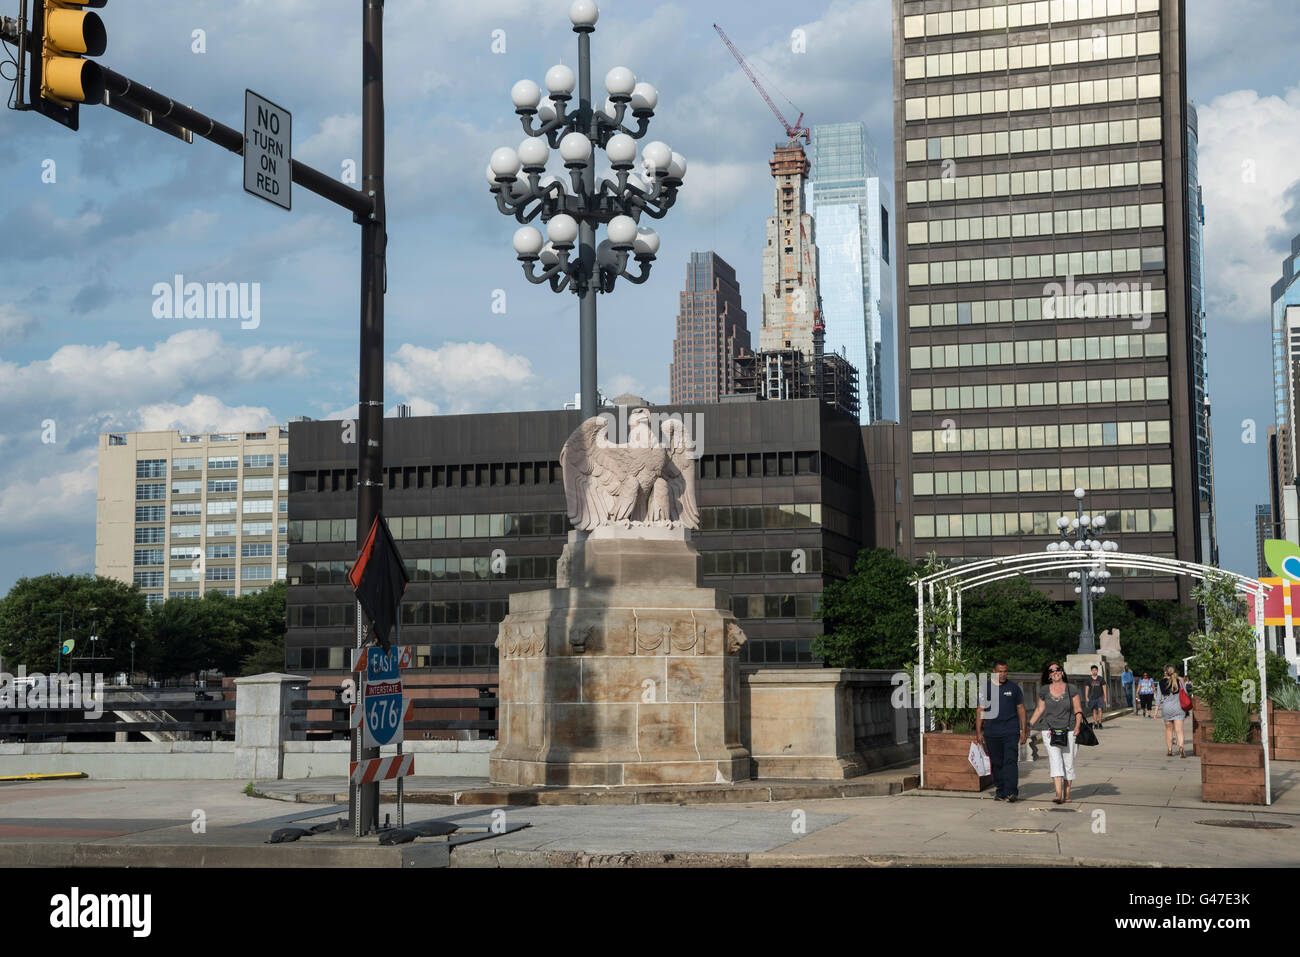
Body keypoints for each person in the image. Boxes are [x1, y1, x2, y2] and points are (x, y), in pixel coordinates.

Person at [1027, 661, 1082, 803]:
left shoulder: (1072, 689)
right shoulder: (1045, 690)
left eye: (1057, 669)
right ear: (1049, 675)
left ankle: (1067, 794)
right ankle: (1058, 794)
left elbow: (1078, 710)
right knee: (1055, 760)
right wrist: (1029, 725)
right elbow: (1039, 709)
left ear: (1062, 672)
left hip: (1069, 730)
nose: (1055, 672)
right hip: (1049, 730)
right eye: (1051, 671)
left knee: (1068, 763)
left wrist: (1077, 727)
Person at [976, 659, 1028, 803]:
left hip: (1010, 731)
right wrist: (979, 732)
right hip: (992, 732)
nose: (1003, 674)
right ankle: (1000, 790)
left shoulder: (1014, 688)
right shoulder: (985, 688)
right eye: (1000, 671)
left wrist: (1024, 730)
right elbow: (980, 710)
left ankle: (1011, 792)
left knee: (1010, 761)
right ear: (994, 672)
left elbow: (1021, 709)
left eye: (1005, 671)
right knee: (997, 762)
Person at [1157, 665, 1189, 758]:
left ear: (1165, 672)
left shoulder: (1161, 683)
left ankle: (1170, 750)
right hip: (1179, 708)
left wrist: (1155, 712)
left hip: (1167, 709)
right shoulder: (1180, 682)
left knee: (1168, 730)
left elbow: (1158, 699)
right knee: (1179, 730)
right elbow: (1186, 694)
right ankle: (1181, 748)